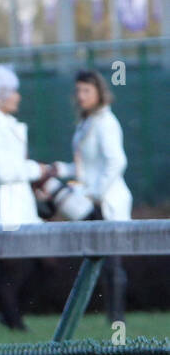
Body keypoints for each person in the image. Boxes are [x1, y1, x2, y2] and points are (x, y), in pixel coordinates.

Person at [0, 63, 53, 331]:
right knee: (13, 269)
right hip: (1, 210)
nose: (18, 97)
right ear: (0, 96)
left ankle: (11, 315)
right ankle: (14, 321)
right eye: (14, 92)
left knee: (41, 265)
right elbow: (3, 171)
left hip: (15, 208)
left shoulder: (2, 124)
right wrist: (35, 170)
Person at [53, 69, 131, 323]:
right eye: (78, 90)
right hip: (91, 200)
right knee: (98, 261)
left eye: (86, 90)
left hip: (106, 202)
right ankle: (108, 317)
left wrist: (95, 193)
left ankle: (117, 319)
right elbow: (86, 166)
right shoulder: (88, 121)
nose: (81, 95)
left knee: (112, 263)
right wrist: (60, 169)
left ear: (99, 92)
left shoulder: (105, 122)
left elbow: (116, 162)